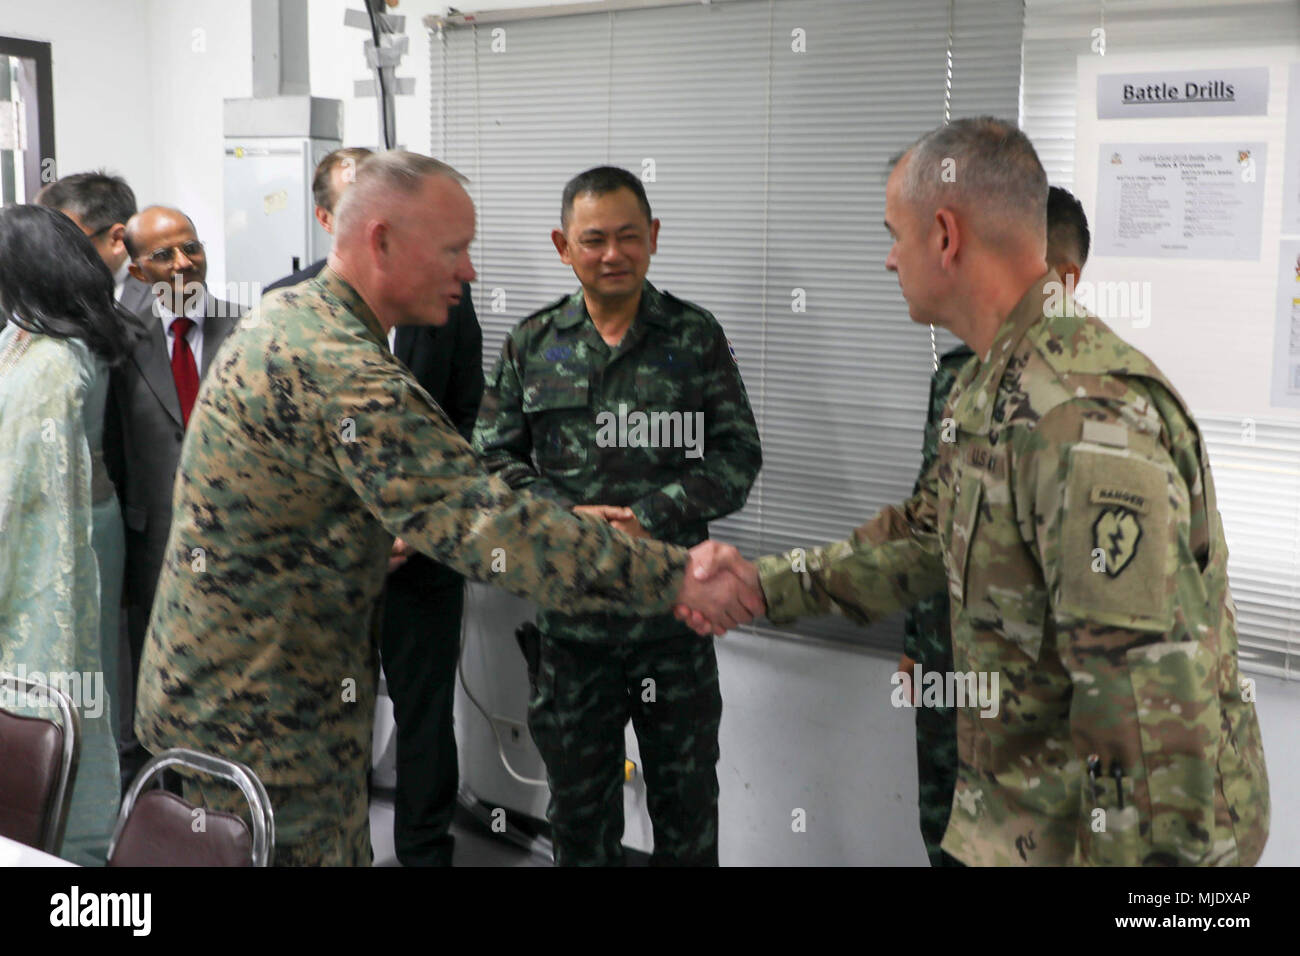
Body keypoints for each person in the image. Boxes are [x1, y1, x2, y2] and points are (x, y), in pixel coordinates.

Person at [134, 150, 762, 867]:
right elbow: (482, 515)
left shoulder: (289, 317)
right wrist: (674, 577)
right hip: (269, 725)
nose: (468, 271)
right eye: (455, 250)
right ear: (382, 241)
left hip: (240, 703)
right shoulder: (344, 369)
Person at [680, 117, 1269, 866]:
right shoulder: (988, 384)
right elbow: (927, 538)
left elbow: (1153, 731)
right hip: (1017, 814)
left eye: (896, 234)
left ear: (946, 236)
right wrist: (763, 586)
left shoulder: (1082, 418)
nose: (889, 260)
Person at [473, 166, 762, 866]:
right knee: (580, 820)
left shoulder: (694, 338)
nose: (612, 254)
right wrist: (567, 517)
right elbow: (490, 459)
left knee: (687, 813)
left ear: (654, 238)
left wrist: (648, 516)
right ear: (562, 245)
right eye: (593, 239)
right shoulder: (533, 343)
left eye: (628, 237)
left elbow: (736, 456)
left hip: (673, 620)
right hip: (572, 632)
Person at [269, 146, 488, 866]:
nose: (464, 268)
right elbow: (287, 465)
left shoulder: (443, 306)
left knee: (425, 719)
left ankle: (425, 854)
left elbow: (464, 423)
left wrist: (419, 529)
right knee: (335, 717)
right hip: (330, 574)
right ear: (337, 220)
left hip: (421, 562)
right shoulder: (284, 315)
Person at [896, 184, 1092, 866]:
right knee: (943, 828)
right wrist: (917, 640)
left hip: (1033, 692)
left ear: (1060, 276)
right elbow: (932, 518)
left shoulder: (1096, 401)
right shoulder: (956, 375)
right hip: (948, 663)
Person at [0, 204, 140, 864]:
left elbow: (21, 488)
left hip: (45, 542)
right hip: (65, 523)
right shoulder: (31, 338)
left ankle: (62, 843)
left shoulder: (51, 360)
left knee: (64, 681)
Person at [111, 205, 245, 789]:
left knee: (233, 689)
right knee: (161, 693)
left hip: (238, 548)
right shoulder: (117, 342)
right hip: (154, 549)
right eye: (163, 255)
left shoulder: (245, 329)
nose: (183, 263)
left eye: (191, 248)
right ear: (138, 272)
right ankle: (164, 812)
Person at [35, 170, 152, 314]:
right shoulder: (46, 298)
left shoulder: (163, 297)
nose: (53, 258)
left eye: (63, 244)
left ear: (117, 239)